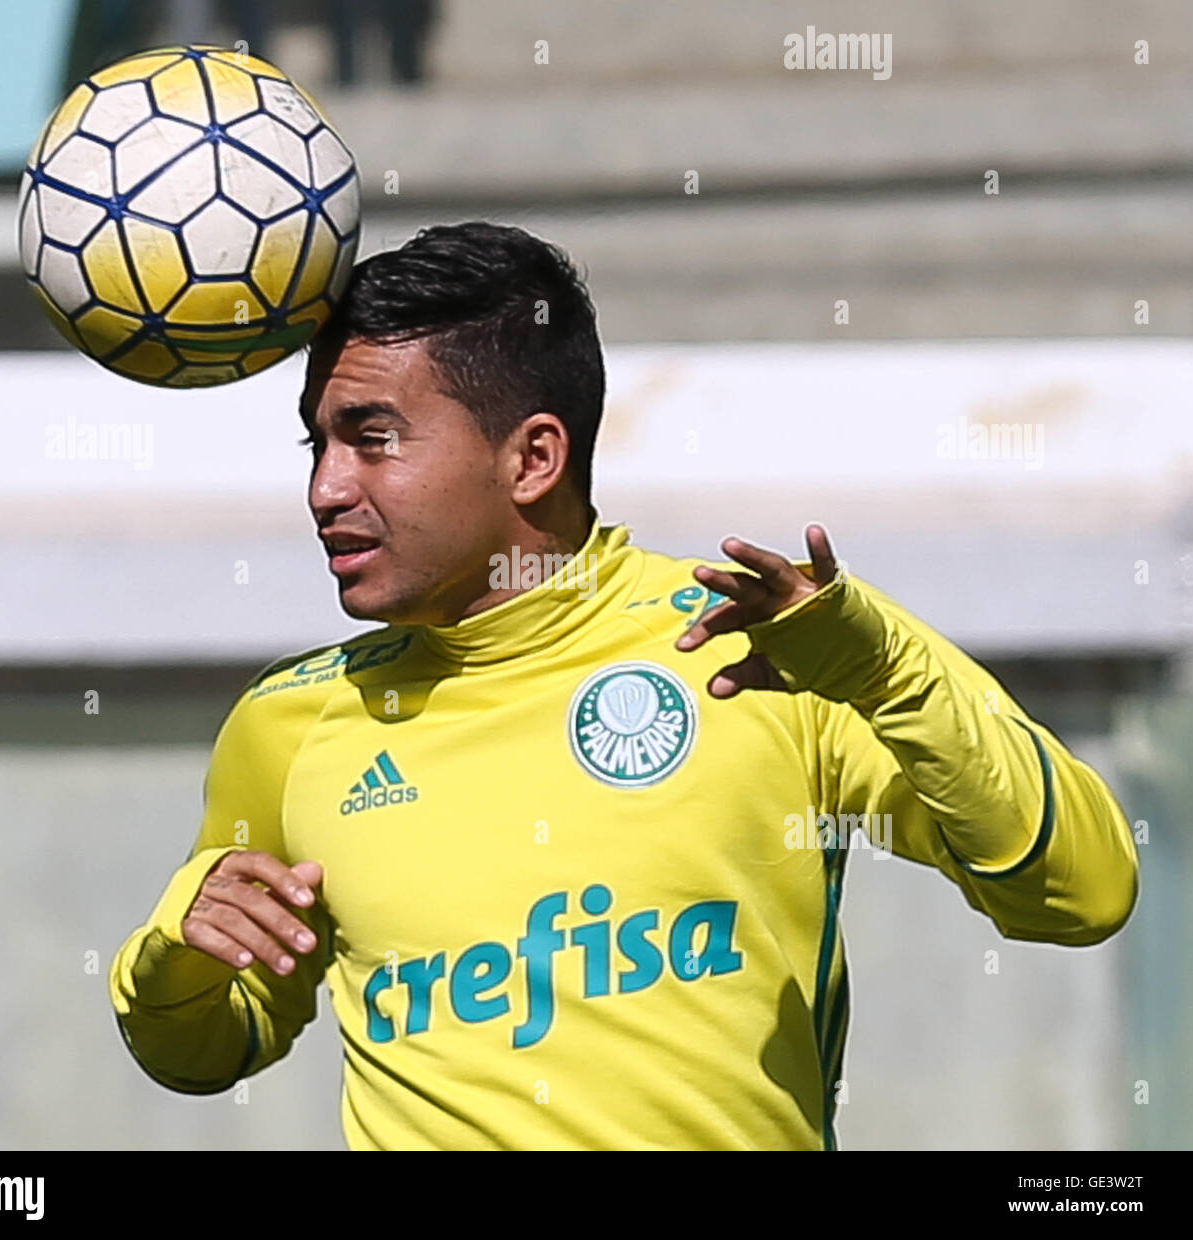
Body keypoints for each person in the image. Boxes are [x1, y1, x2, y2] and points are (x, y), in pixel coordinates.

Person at [109, 221, 1140, 1151]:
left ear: (532, 459)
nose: (327, 489)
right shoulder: (291, 723)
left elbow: (1083, 892)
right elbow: (208, 1050)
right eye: (319, 444)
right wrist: (172, 963)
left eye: (373, 440)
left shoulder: (768, 650)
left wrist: (882, 668)